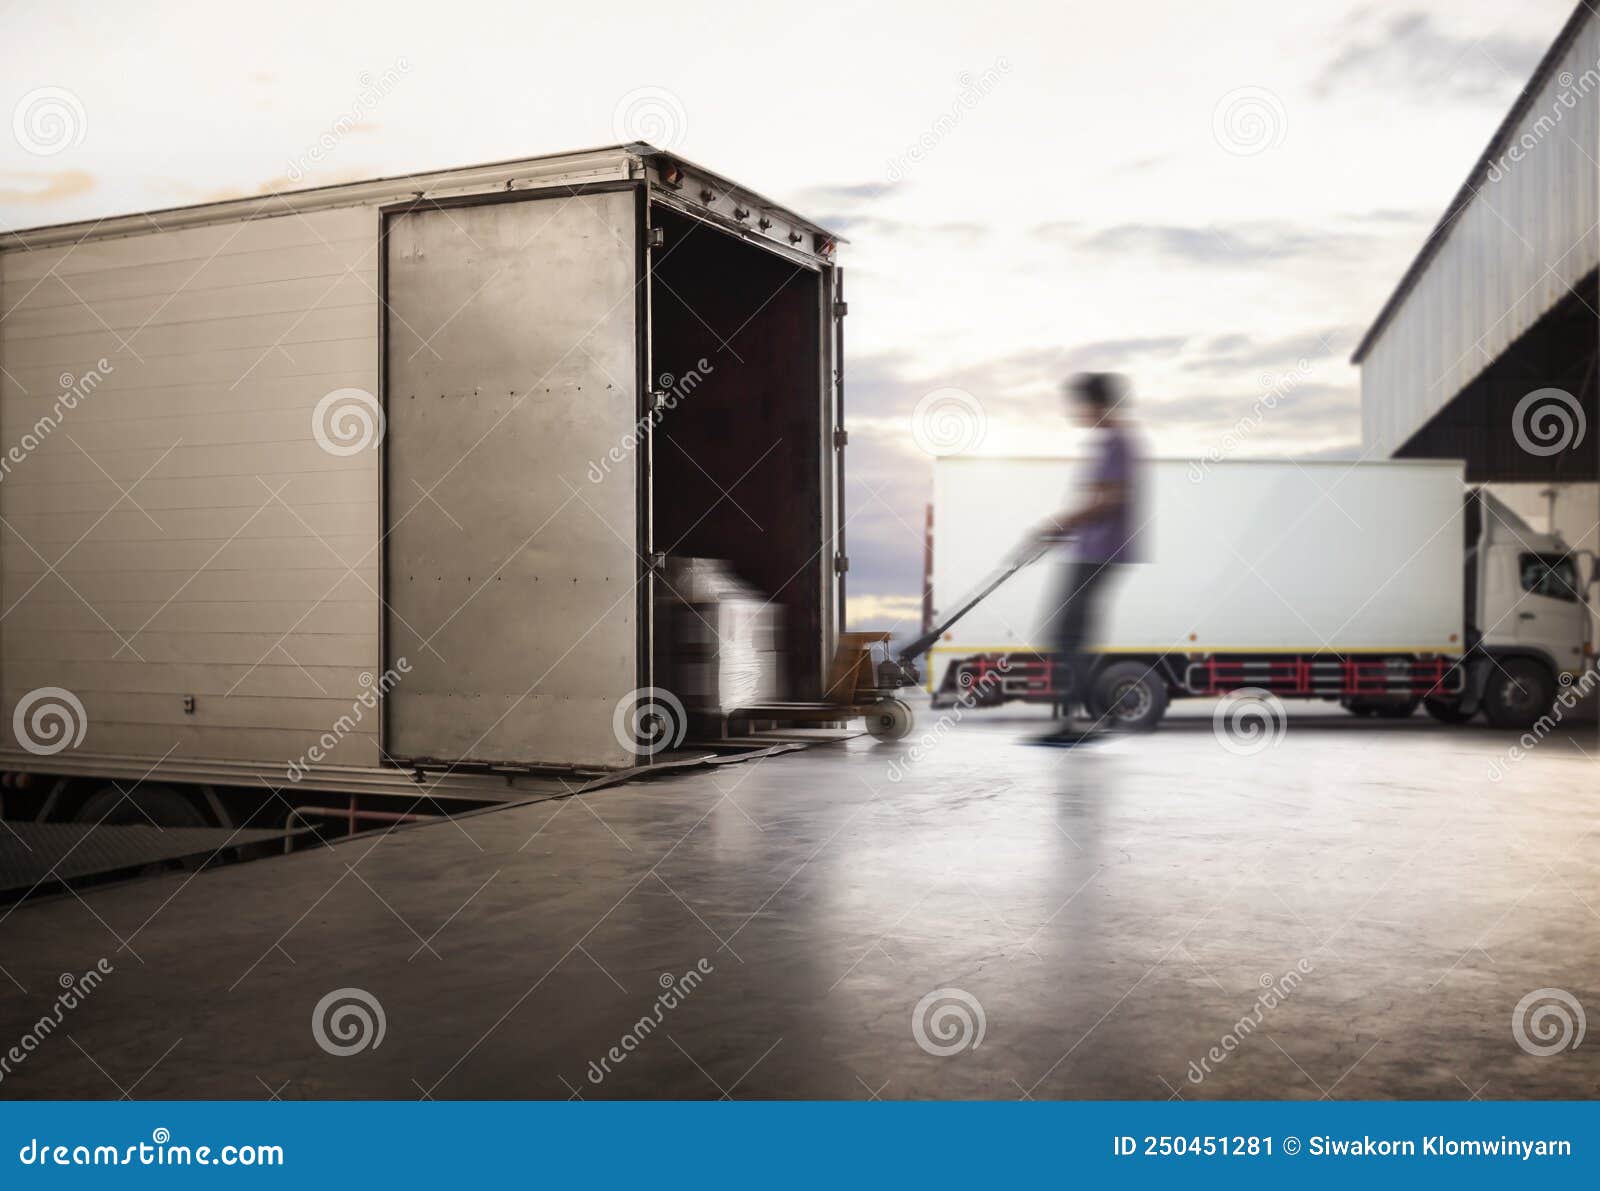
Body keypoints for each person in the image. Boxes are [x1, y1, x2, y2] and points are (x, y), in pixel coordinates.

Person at [1028, 372, 1143, 745]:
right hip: (1095, 549)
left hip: (1099, 551)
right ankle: (1082, 720)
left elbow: (1110, 501)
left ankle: (1082, 722)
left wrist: (1063, 521)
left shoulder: (1116, 441)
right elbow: (1104, 499)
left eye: (1081, 404)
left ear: (1098, 404)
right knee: (1068, 636)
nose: (1077, 412)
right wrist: (1065, 527)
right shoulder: (1115, 441)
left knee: (1065, 636)